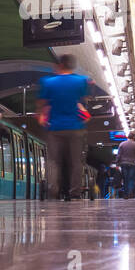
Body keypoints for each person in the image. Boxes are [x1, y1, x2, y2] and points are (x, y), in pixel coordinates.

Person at [37, 55, 90, 201]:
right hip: (75, 127)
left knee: (54, 161)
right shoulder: (81, 81)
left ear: (60, 65)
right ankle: (75, 193)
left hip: (55, 128)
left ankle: (53, 190)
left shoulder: (48, 82)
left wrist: (42, 116)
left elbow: (42, 104)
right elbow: (83, 101)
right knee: (75, 162)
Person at [116, 131, 135, 198]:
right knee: (131, 179)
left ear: (127, 137)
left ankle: (125, 194)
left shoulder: (122, 144)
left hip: (123, 164)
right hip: (132, 164)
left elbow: (119, 155)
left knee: (125, 179)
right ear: (133, 137)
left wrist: (117, 163)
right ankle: (130, 192)